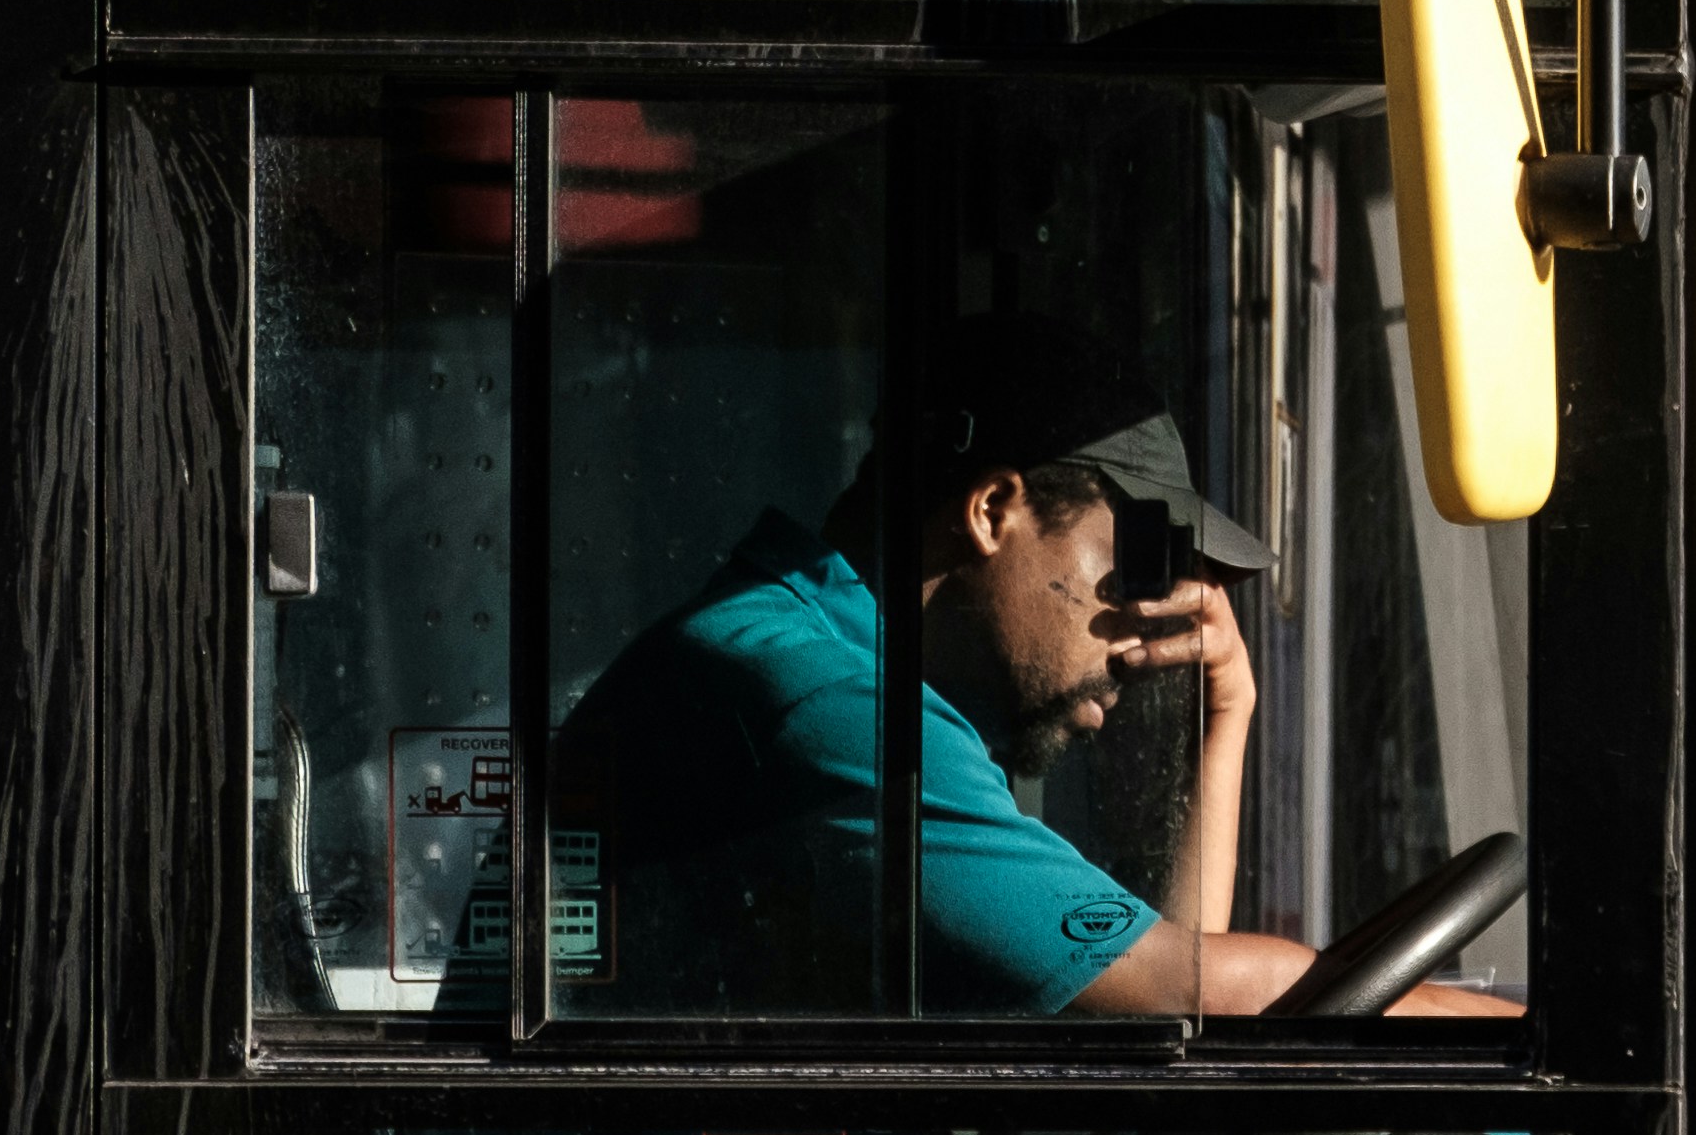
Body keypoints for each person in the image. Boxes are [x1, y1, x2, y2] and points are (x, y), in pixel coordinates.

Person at [551, 316, 1460, 1018]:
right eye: (1126, 565)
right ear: (991, 510)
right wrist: (1534, 1038)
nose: (1140, 621)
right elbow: (1181, 990)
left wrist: (1226, 720)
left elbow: (1167, 1035)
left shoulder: (817, 653)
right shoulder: (833, 703)